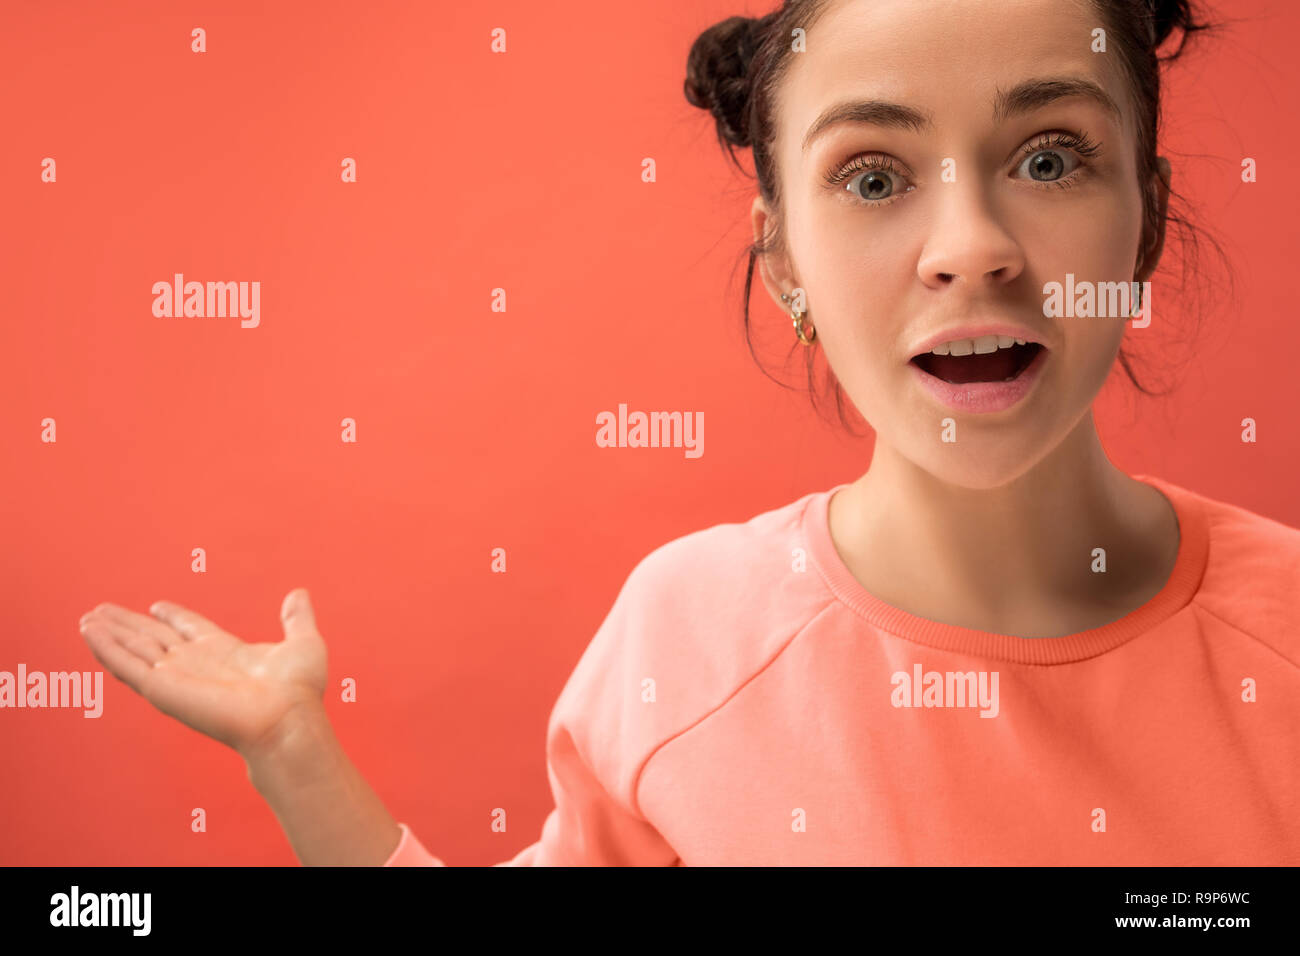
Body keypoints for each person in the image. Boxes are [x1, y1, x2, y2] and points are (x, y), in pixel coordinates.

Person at [80, 0, 1300, 866]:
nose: (969, 243)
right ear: (785, 264)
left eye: (1048, 156)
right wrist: (296, 755)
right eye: (873, 177)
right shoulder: (690, 632)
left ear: (1145, 218)